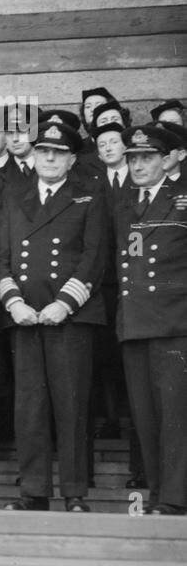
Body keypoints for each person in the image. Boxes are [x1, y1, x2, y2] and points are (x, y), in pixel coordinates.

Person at [0, 122, 108, 513]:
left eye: (59, 153)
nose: (50, 158)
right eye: (44, 151)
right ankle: (34, 491)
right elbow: (1, 258)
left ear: (72, 159)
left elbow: (94, 258)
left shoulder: (88, 197)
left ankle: (75, 493)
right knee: (29, 407)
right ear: (34, 154)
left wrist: (64, 303)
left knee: (71, 406)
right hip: (25, 316)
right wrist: (13, 303)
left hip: (70, 318)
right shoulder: (14, 196)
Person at [110, 125, 187, 515]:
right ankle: (158, 494)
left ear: (168, 160)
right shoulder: (123, 203)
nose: (138, 165)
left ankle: (175, 498)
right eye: (133, 159)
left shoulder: (182, 200)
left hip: (175, 324)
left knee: (175, 415)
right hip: (135, 323)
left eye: (147, 158)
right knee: (145, 416)